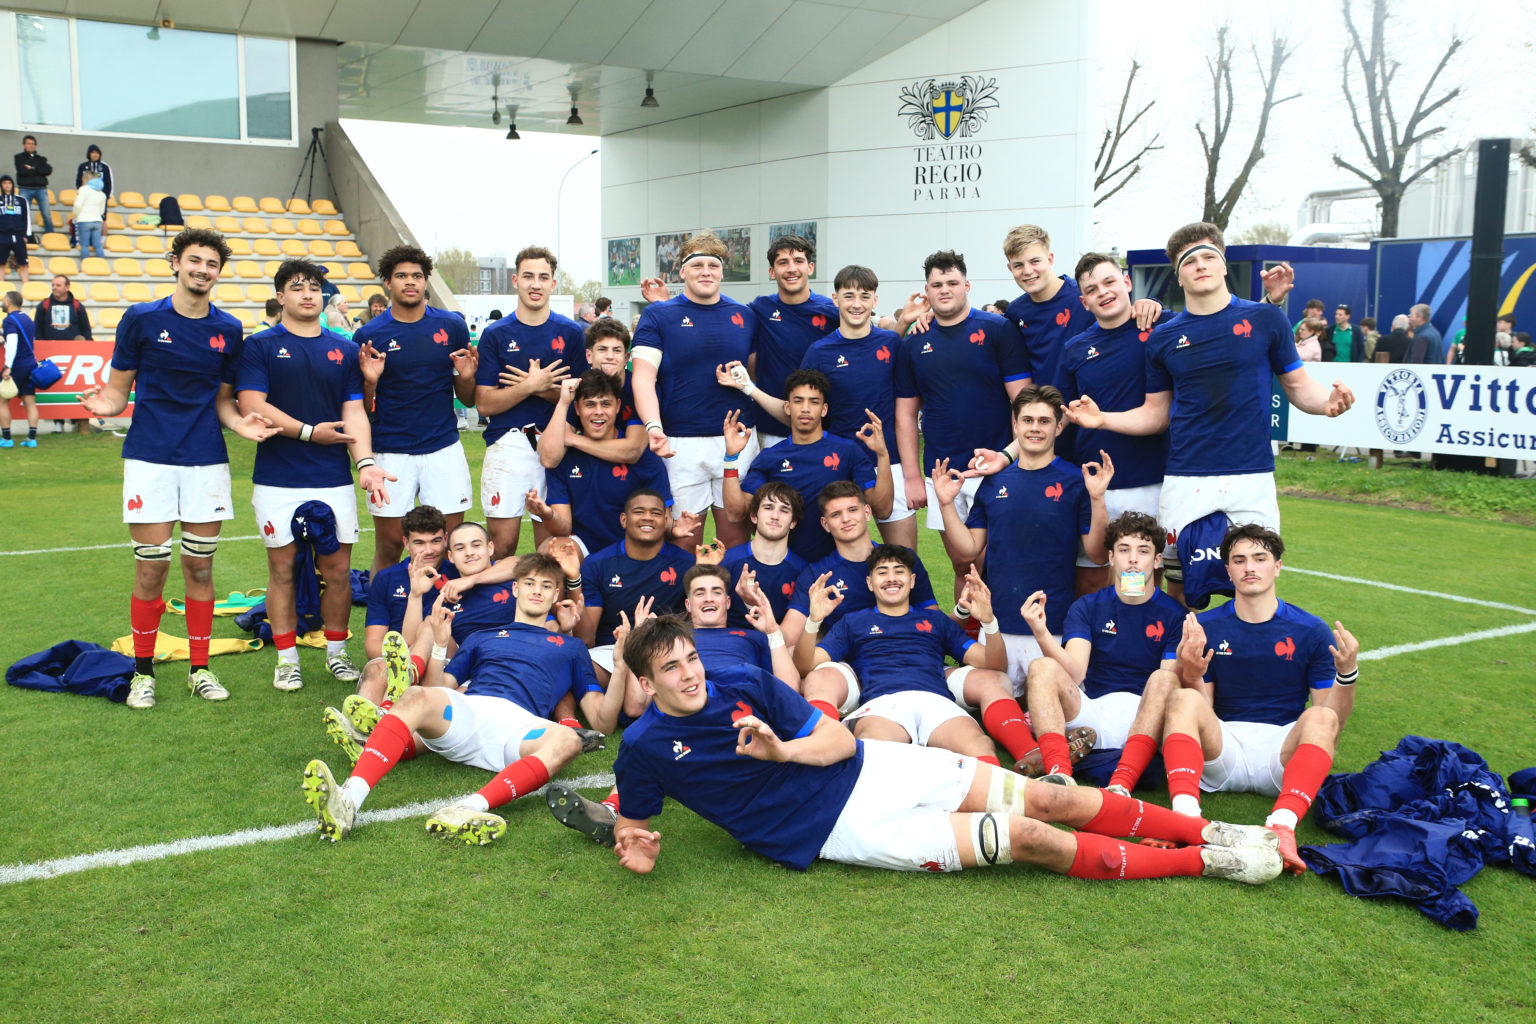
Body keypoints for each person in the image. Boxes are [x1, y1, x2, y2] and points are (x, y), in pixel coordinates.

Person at [602, 615, 1283, 884]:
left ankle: (1217, 830)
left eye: (691, 658)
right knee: (1030, 838)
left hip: (877, 768)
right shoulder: (644, 746)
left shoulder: (745, 682)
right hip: (843, 830)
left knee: (1052, 796)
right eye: (671, 669)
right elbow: (634, 819)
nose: (690, 674)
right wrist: (637, 847)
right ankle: (1207, 862)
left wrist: (785, 753)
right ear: (647, 680)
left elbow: (838, 740)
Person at [1058, 222, 1351, 604]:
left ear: (1224, 264)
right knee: (1179, 589)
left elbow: (1299, 387)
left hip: (1252, 475)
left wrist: (1326, 405)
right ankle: (1173, 662)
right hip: (1184, 478)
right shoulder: (1161, 337)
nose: (1200, 265)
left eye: (1208, 257)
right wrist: (1103, 419)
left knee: (1253, 579)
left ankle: (1241, 659)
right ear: (1177, 275)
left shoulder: (1267, 319)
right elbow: (1156, 414)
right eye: (1189, 261)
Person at [77, 228, 278, 709]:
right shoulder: (141, 319)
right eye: (194, 260)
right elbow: (117, 390)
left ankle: (200, 669)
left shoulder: (229, 330)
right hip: (149, 458)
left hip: (206, 459)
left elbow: (223, 403)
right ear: (175, 262)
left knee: (200, 567)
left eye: (212, 264)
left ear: (218, 273)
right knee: (151, 570)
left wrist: (241, 425)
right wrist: (104, 405)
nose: (202, 270)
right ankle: (142, 674)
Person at [303, 554, 614, 845]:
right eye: (530, 584)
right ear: (515, 589)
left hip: (521, 728)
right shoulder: (482, 636)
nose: (537, 591)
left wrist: (623, 664)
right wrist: (439, 645)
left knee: (569, 741)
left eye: (546, 586)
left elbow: (602, 721)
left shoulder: (570, 647)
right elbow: (442, 688)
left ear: (556, 594)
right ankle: (349, 800)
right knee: (416, 695)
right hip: (471, 711)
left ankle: (467, 808)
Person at [1157, 524, 1358, 875]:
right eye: (1239, 560)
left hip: (1281, 754)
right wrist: (1190, 673)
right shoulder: (1208, 626)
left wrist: (1347, 673)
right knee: (1181, 699)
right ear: (1228, 571)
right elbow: (1202, 709)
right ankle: (1184, 820)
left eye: (1260, 558)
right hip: (1224, 749)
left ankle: (1282, 826)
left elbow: (1333, 723)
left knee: (1321, 717)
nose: (1250, 567)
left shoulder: (1310, 630)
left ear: (1277, 566)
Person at [235, 259, 391, 691]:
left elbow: (354, 411)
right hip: (276, 478)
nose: (307, 293)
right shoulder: (260, 345)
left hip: (332, 477)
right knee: (282, 568)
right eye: (296, 286)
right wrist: (309, 433)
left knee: (338, 570)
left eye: (315, 287)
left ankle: (337, 654)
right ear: (280, 296)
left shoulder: (341, 348)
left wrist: (365, 464)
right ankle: (286, 659)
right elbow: (252, 402)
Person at [935, 386, 1112, 693]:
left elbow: (1097, 555)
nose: (1035, 428)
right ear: (1015, 426)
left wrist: (1098, 499)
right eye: (1027, 420)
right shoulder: (994, 483)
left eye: (1044, 421)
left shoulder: (1075, 481)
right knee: (990, 700)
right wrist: (946, 504)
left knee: (1052, 705)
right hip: (999, 627)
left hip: (1052, 626)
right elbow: (968, 551)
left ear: (1058, 426)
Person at [727, 265, 917, 549]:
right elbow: (798, 407)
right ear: (835, 299)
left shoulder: (892, 342)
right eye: (848, 295)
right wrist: (749, 389)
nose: (856, 303)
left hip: (886, 460)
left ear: (875, 301)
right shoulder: (819, 351)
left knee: (902, 557)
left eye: (865, 296)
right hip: (837, 466)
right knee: (828, 552)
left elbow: (906, 410)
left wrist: (910, 472)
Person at [804, 545, 1022, 767]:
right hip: (883, 703)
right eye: (882, 572)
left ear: (912, 580)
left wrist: (989, 621)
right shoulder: (853, 622)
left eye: (899, 571)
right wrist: (813, 620)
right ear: (870, 583)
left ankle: (998, 795)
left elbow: (994, 664)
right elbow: (806, 665)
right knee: (872, 749)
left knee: (980, 746)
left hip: (936, 701)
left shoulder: (936, 621)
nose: (891, 578)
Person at [893, 249, 1030, 597]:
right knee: (963, 566)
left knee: (1001, 561)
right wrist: (911, 478)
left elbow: (1023, 402)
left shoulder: (998, 330)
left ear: (967, 285)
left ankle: (1002, 638)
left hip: (995, 466)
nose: (945, 290)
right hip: (943, 472)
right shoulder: (915, 342)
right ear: (926, 291)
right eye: (936, 284)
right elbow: (906, 414)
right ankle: (970, 645)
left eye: (952, 282)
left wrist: (1015, 455)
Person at [1022, 512, 1185, 786]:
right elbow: (1075, 673)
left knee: (1165, 679)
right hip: (1093, 711)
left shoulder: (1175, 615)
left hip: (1144, 718)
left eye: (1143, 551)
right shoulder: (1088, 606)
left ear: (1157, 561)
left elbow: (1166, 687)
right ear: (1111, 557)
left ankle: (1120, 779)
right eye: (1124, 550)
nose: (1133, 559)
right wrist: (1042, 633)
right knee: (1041, 667)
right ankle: (1060, 772)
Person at [632, 232, 759, 552]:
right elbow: (643, 378)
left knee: (735, 539)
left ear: (722, 272)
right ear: (682, 272)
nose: (706, 271)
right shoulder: (658, 315)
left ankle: (736, 602)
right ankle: (686, 603)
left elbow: (753, 376)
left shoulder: (744, 315)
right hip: (681, 445)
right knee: (685, 539)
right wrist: (653, 427)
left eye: (713, 265)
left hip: (736, 440)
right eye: (698, 264)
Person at [353, 245, 477, 573]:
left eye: (417, 276)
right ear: (387, 283)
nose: (411, 282)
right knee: (392, 544)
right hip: (390, 451)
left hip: (443, 447)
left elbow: (467, 399)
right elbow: (361, 409)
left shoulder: (452, 326)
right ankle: (384, 616)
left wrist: (467, 377)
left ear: (426, 282)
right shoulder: (368, 335)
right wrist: (370, 382)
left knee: (448, 541)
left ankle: (446, 615)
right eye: (402, 276)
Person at [1058, 253, 1171, 592]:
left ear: (1126, 283)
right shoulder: (1076, 348)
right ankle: (1101, 644)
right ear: (1084, 301)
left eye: (1109, 282)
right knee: (1098, 582)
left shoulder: (1162, 327)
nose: (1103, 292)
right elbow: (1061, 416)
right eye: (1092, 289)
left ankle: (1147, 644)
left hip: (1150, 480)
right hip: (1097, 485)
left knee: (1143, 582)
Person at [475, 246, 589, 559]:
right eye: (528, 276)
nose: (535, 284)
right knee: (502, 545)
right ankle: (498, 607)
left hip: (557, 445)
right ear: (515, 280)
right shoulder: (495, 334)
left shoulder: (571, 333)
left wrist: (536, 388)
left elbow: (581, 400)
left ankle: (552, 609)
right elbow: (484, 404)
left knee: (552, 547)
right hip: (508, 443)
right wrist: (531, 385)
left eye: (543, 277)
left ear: (554, 283)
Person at [723, 369, 890, 562]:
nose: (805, 408)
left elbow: (883, 509)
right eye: (798, 401)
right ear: (787, 407)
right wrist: (730, 458)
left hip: (839, 564)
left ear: (824, 409)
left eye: (814, 401)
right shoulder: (770, 457)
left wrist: (883, 455)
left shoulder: (848, 451)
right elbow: (736, 513)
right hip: (788, 565)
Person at [532, 369, 671, 555]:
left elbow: (665, 520)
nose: (598, 412)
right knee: (550, 552)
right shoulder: (563, 456)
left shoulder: (643, 456)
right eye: (590, 404)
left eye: (606, 404)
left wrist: (673, 527)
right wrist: (547, 514)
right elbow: (563, 529)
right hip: (585, 546)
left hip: (632, 547)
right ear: (578, 409)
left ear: (618, 406)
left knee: (685, 552)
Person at [576, 488, 698, 681]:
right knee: (576, 668)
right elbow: (586, 637)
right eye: (639, 512)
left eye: (656, 513)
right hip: (613, 650)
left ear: (666, 521)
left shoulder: (687, 564)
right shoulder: (597, 564)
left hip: (666, 648)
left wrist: (710, 564)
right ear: (624, 519)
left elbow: (699, 620)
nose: (648, 518)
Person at [744, 235, 839, 447]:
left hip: (821, 429)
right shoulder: (760, 308)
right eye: (783, 262)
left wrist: (899, 321)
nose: (791, 269)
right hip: (769, 430)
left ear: (810, 267)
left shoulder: (832, 312)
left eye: (798, 261)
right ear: (772, 272)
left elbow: (872, 324)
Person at [711, 481, 808, 631]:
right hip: (731, 647)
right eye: (768, 508)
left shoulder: (803, 572)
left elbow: (794, 636)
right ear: (754, 516)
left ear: (793, 522)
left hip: (778, 647)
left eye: (784, 510)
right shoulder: (725, 562)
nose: (775, 516)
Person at [684, 563, 798, 689]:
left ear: (728, 602)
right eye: (700, 594)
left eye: (716, 592)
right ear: (688, 605)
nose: (709, 598)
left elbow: (789, 689)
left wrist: (772, 631)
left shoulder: (754, 637)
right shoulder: (674, 637)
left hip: (742, 698)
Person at [1, 289, 40, 447]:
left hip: (16, 365)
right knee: (29, 401)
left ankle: (6, 438)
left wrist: (8, 366)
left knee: (2, 400)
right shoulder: (28, 319)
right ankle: (31, 439)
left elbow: (12, 344)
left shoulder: (9, 320)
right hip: (30, 363)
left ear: (9, 302)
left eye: (3, 300)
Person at [12, 136, 51, 243]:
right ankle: (25, 236)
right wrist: (39, 170)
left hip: (41, 189)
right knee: (24, 214)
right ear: (24, 145)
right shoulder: (18, 157)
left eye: (33, 144)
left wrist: (32, 168)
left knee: (46, 214)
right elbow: (22, 171)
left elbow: (48, 170)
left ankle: (50, 237)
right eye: (29, 143)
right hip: (25, 189)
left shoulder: (41, 159)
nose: (31, 145)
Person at [34, 274, 91, 340]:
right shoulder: (44, 305)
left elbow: (86, 330)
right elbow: (37, 330)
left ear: (67, 287)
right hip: (50, 348)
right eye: (53, 285)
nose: (54, 288)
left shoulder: (77, 306)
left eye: (58, 285)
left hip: (72, 349)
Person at [0, 176, 30, 285]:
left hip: (18, 235)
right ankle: (1, 288)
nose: (7, 185)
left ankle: (27, 286)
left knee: (23, 263)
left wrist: (26, 235)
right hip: (2, 236)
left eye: (9, 183)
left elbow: (26, 218)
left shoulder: (21, 200)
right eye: (4, 183)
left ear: (13, 185)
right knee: (1, 263)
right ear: (1, 185)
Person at [71, 172, 107, 260]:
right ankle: (102, 265)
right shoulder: (102, 193)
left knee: (85, 245)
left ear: (86, 179)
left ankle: (85, 265)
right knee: (97, 245)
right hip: (98, 220)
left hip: (84, 219)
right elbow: (102, 211)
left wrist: (76, 214)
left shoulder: (84, 189)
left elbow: (78, 205)